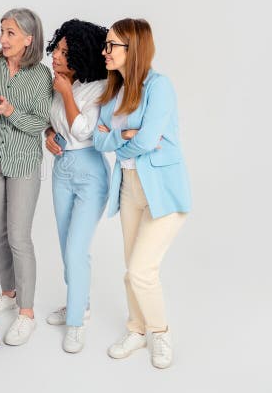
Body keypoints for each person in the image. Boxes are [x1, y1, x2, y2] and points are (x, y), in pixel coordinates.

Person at [93, 18, 191, 369]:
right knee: (130, 268)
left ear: (132, 48)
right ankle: (136, 329)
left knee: (141, 270)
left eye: (111, 45)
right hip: (128, 188)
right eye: (106, 45)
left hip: (162, 190)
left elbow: (147, 140)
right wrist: (127, 135)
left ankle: (160, 333)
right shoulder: (113, 91)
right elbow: (98, 140)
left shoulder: (159, 87)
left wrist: (122, 139)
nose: (104, 52)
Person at [0, 8, 52, 346]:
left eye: (10, 33)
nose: (3, 39)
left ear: (28, 39)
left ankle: (27, 313)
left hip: (24, 163)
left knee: (19, 237)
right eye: (2, 31)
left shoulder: (41, 75)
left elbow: (40, 123)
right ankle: (8, 293)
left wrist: (10, 111)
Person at [43, 19, 110, 353]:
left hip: (90, 174)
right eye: (56, 48)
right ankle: (78, 303)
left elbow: (83, 131)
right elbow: (52, 123)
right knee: (65, 244)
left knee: (76, 249)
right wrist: (48, 135)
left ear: (82, 54)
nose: (55, 56)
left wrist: (67, 93)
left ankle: (76, 324)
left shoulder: (100, 87)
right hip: (62, 171)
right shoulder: (59, 82)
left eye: (64, 52)